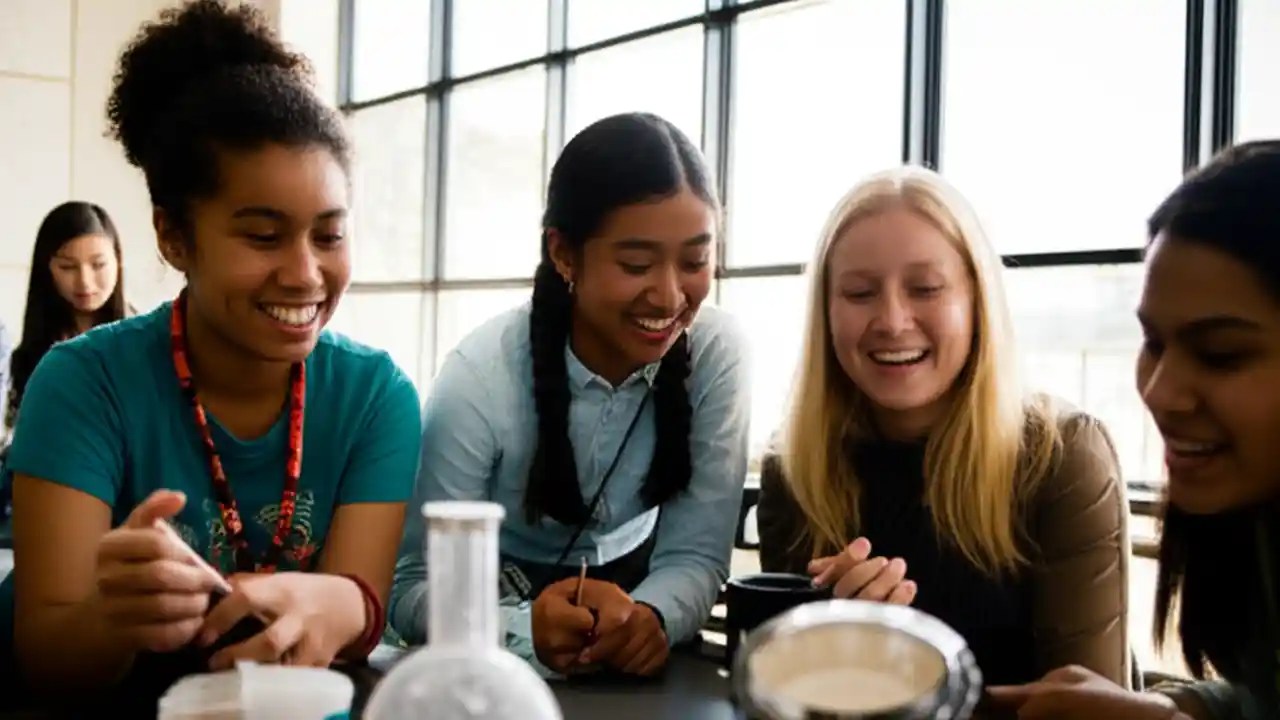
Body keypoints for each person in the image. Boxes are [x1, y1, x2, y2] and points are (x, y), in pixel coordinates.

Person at [0, 0, 420, 702]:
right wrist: (115, 612)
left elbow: (353, 611)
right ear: (172, 237)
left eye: (329, 235)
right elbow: (46, 660)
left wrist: (352, 608)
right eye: (262, 236)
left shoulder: (375, 398)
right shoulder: (80, 383)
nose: (305, 273)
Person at [390, 112, 751, 679]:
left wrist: (652, 618)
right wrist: (519, 626)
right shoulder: (479, 379)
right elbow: (412, 586)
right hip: (491, 615)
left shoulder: (717, 353)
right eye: (636, 264)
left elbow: (695, 555)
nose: (669, 295)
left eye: (695, 260)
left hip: (638, 592)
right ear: (563, 253)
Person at [756, 166, 1130, 687]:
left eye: (926, 288)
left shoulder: (1062, 459)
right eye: (860, 293)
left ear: (977, 300)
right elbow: (786, 695)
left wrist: (907, 677)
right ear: (826, 313)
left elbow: (1091, 708)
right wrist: (825, 656)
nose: (891, 319)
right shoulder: (795, 470)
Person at [985, 142, 1280, 719]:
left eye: (1220, 354)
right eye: (1153, 343)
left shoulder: (1061, 453)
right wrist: (1175, 713)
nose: (1159, 392)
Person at [3, 201, 128, 441]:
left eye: (98, 265)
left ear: (118, 261)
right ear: (46, 269)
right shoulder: (24, 362)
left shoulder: (146, 343)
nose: (85, 282)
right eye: (68, 267)